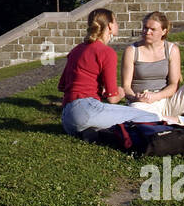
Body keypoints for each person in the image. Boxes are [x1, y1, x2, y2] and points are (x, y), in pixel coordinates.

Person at [58, 8, 162, 136]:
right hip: (86, 109)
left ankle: (95, 133)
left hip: (67, 117)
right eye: (116, 21)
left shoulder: (76, 50)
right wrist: (122, 91)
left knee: (108, 122)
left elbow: (62, 85)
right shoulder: (106, 52)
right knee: (151, 117)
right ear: (110, 26)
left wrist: (98, 90)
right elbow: (113, 98)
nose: (117, 24)